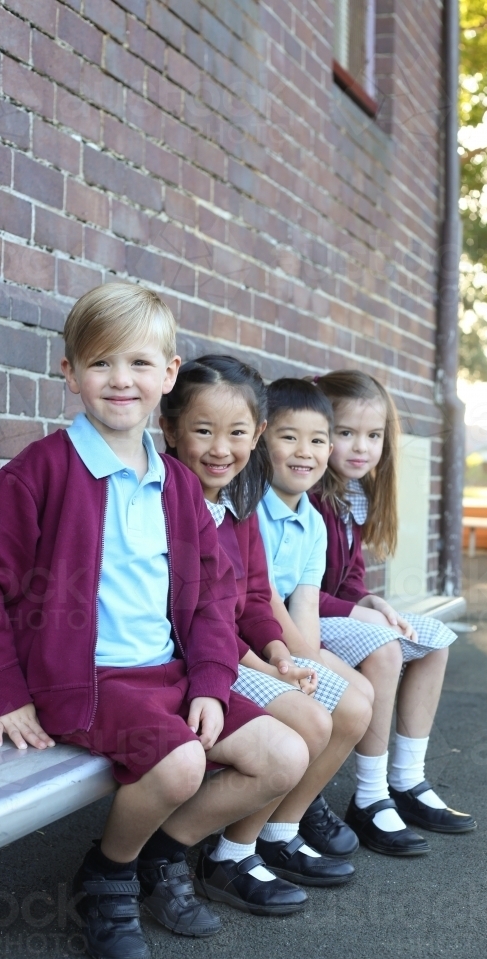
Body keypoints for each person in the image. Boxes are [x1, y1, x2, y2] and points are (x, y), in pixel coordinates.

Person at [0, 284, 310, 959]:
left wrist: (211, 681)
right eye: (99, 364)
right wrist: (7, 690)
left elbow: (213, 598)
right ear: (69, 372)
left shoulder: (178, 485)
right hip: (83, 684)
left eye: (139, 364)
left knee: (284, 755)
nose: (120, 380)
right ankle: (107, 879)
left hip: (169, 675)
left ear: (168, 374)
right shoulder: (41, 474)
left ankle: (154, 857)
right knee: (181, 763)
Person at [160, 355, 372, 888]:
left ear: (253, 435)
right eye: (203, 431)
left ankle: (261, 838)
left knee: (332, 708)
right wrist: (265, 664)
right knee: (311, 720)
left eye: (235, 433)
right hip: (190, 662)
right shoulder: (168, 500)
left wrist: (280, 654)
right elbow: (194, 620)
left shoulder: (238, 501)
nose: (220, 449)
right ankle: (216, 849)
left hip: (236, 653)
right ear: (170, 427)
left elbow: (255, 596)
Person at [309, 370, 476, 857]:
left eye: (374, 435)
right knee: (383, 648)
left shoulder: (351, 494)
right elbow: (288, 592)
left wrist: (368, 602)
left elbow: (350, 578)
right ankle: (370, 796)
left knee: (434, 639)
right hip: (301, 624)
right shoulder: (307, 498)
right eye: (345, 433)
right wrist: (355, 613)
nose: (361, 447)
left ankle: (406, 781)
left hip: (338, 615)